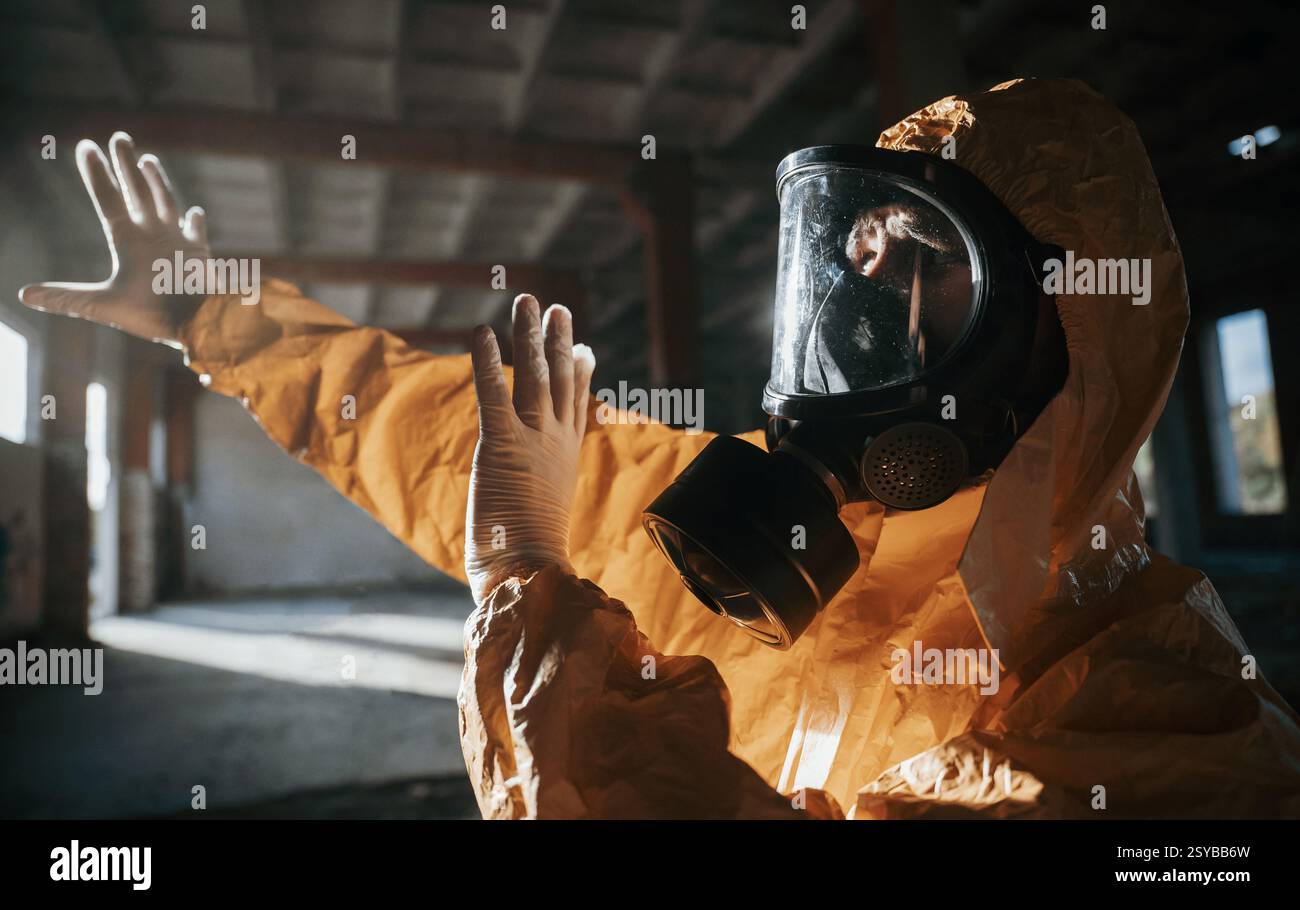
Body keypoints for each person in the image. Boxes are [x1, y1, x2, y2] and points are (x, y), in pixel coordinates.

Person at [21, 78, 1300, 818]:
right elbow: (438, 426)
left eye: (924, 268)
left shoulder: (1176, 742)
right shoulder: (800, 535)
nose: (860, 323)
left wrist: (528, 584)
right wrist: (220, 319)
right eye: (847, 263)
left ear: (1054, 340)